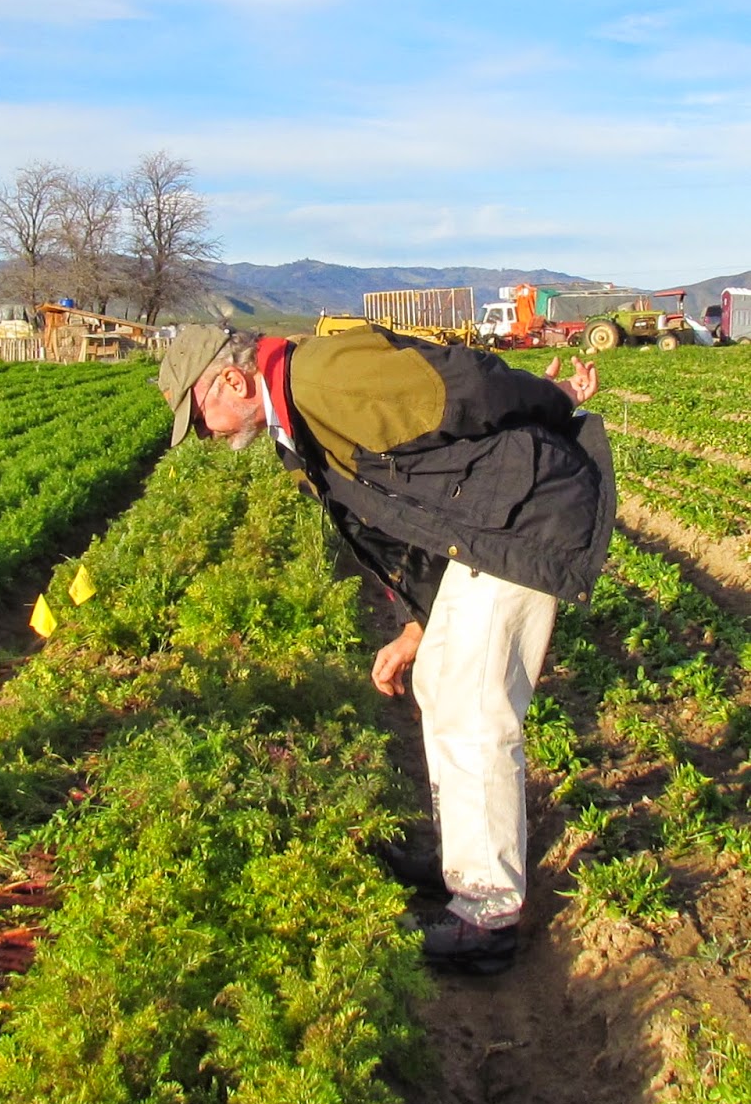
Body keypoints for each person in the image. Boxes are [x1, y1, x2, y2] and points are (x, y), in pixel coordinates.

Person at [158, 322, 615, 974]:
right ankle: (461, 858)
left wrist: (556, 399)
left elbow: (469, 386)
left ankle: (486, 916)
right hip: (479, 520)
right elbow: (394, 520)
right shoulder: (295, 426)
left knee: (473, 709)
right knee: (437, 680)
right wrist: (415, 624)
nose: (206, 434)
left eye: (201, 417)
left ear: (233, 381)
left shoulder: (327, 379)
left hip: (523, 514)